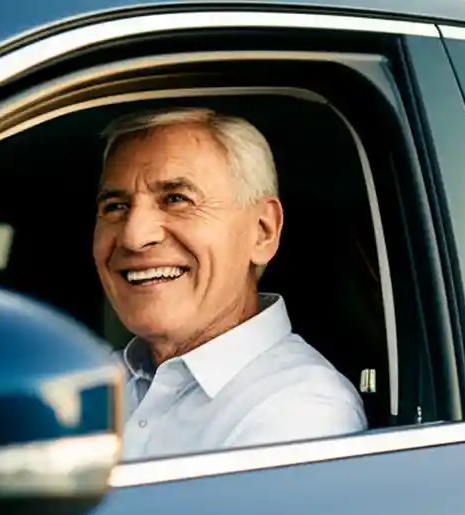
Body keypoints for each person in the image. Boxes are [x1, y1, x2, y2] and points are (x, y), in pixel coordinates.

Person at [92, 107, 366, 460]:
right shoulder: (87, 384)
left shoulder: (298, 411)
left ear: (262, 231)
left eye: (176, 199)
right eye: (115, 206)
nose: (133, 236)